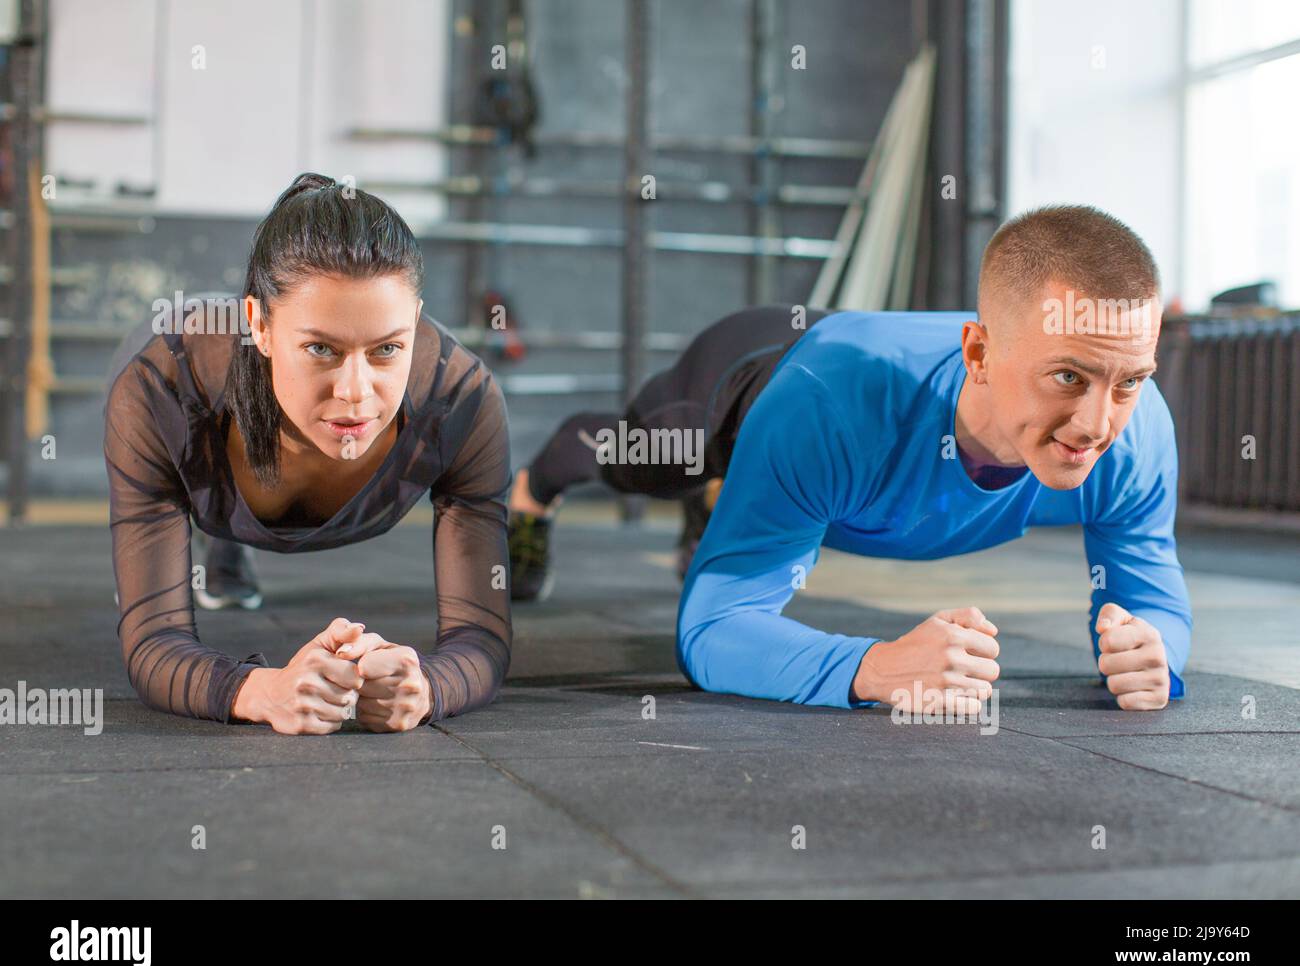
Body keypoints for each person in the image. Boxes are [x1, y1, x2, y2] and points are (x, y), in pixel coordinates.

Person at [509, 205, 1191, 713]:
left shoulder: (1137, 435)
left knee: (755, 492)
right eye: (1068, 377)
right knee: (647, 463)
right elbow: (712, 629)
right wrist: (875, 666)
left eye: (1129, 379)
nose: (1099, 424)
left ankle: (728, 503)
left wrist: (1157, 650)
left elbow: (1154, 599)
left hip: (854, 400)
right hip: (758, 379)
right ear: (978, 355)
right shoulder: (825, 413)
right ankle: (534, 492)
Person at [103, 173, 512, 734]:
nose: (354, 392)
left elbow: (482, 639)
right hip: (199, 383)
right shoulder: (161, 391)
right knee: (203, 488)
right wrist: (259, 690)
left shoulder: (462, 401)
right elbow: (153, 644)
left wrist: (426, 687)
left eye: (387, 349)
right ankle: (217, 538)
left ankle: (225, 542)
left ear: (415, 325)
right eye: (321, 348)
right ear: (260, 327)